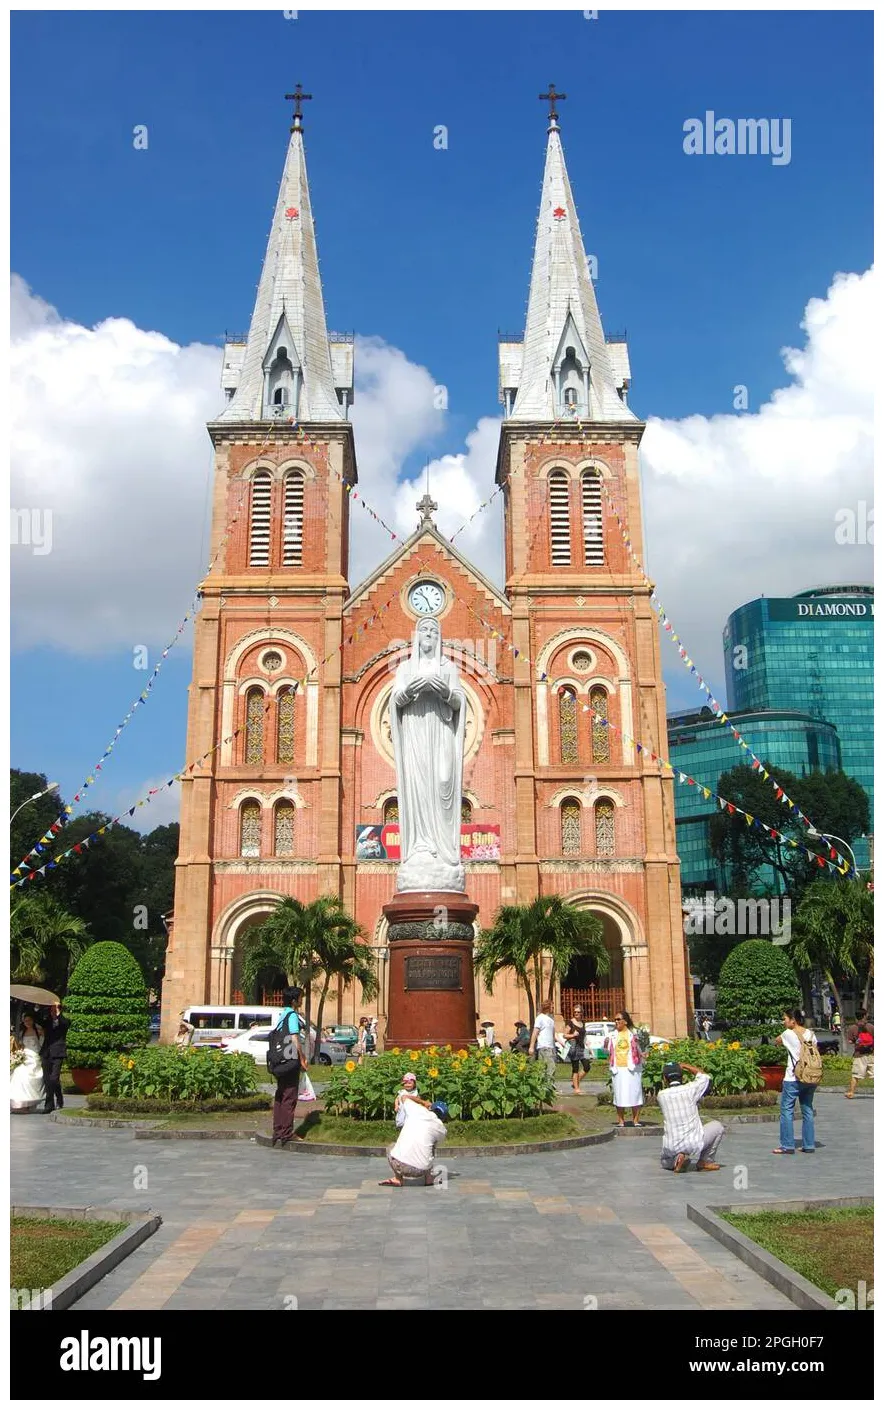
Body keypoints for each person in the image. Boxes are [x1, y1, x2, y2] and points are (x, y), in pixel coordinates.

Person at [657, 1060, 724, 1173]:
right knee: (718, 1127)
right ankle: (705, 1160)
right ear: (682, 1076)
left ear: (665, 1079)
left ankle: (677, 1159)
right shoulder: (691, 1090)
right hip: (693, 1143)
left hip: (672, 1145)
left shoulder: (661, 1096)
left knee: (664, 1161)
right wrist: (685, 1066)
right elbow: (704, 1077)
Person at [773, 1008, 819, 1154]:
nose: (783, 1021)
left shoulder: (788, 1033)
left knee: (787, 1110)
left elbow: (777, 1041)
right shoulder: (811, 1034)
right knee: (807, 1110)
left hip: (793, 1078)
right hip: (810, 1077)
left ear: (793, 1020)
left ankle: (787, 1145)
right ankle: (809, 1144)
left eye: (785, 1019)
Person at [380, 1095, 449, 1187]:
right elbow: (436, 1145)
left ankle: (398, 1178)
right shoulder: (442, 1129)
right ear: (443, 1117)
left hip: (400, 1166)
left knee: (391, 1146)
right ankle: (428, 1178)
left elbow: (403, 1097)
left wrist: (423, 1102)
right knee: (431, 1146)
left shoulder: (417, 1110)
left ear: (430, 1108)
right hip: (421, 1170)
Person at [270, 986, 307, 1147]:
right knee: (289, 1097)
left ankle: (278, 1130)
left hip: (278, 1061)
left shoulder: (282, 1014)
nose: (301, 1000)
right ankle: (286, 1133)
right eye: (300, 997)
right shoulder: (292, 1015)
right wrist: (302, 1058)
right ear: (294, 1000)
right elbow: (294, 1038)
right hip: (289, 1060)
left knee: (280, 1095)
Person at [604, 1010, 644, 1127]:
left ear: (625, 1021)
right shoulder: (612, 1035)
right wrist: (605, 1045)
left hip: (632, 1068)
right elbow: (606, 1051)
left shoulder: (634, 1034)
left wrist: (643, 1054)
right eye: (615, 1020)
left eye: (618, 1019)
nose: (616, 1022)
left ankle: (635, 1120)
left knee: (635, 1093)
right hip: (618, 1068)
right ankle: (621, 1121)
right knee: (619, 1094)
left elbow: (641, 1049)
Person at [10, 1013, 46, 1113]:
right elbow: (21, 1045)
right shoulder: (22, 1032)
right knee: (18, 1073)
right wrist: (18, 1055)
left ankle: (27, 1104)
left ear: (33, 1020)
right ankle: (19, 1104)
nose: (27, 1023)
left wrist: (42, 1035)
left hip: (34, 1056)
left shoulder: (38, 1030)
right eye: (25, 1021)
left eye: (29, 1020)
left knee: (29, 1078)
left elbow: (42, 1043)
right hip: (24, 1057)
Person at [40, 1002, 70, 1114]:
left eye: (56, 1007)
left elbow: (65, 1024)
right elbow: (38, 1019)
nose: (53, 1009)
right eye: (52, 1007)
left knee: (54, 1078)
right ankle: (49, 1105)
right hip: (46, 1053)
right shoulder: (47, 1020)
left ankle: (59, 1097)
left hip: (58, 1053)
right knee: (47, 1080)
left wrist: (58, 1014)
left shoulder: (64, 1021)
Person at [845, 1010, 873, 1099]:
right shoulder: (871, 1027)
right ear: (864, 1016)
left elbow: (850, 1041)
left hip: (859, 1054)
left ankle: (851, 1092)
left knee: (856, 1075)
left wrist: (855, 1041)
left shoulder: (852, 1028)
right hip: (872, 1053)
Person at [565, 1005, 590, 1093]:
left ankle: (574, 1083)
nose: (576, 1013)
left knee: (587, 1066)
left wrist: (588, 1045)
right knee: (575, 1068)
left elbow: (584, 1035)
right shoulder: (570, 1022)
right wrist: (573, 1035)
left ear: (581, 1013)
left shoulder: (583, 1023)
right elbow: (565, 1035)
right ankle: (576, 1088)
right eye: (575, 1012)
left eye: (578, 1012)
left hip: (583, 1047)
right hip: (574, 1047)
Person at [528, 1000, 557, 1077]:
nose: (553, 1009)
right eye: (552, 1007)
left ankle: (545, 1087)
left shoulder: (551, 1020)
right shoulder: (540, 1018)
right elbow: (535, 1032)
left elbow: (553, 1035)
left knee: (545, 1069)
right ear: (547, 1007)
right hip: (544, 1047)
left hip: (551, 1048)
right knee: (551, 1067)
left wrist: (561, 1043)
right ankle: (549, 1087)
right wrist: (531, 1046)